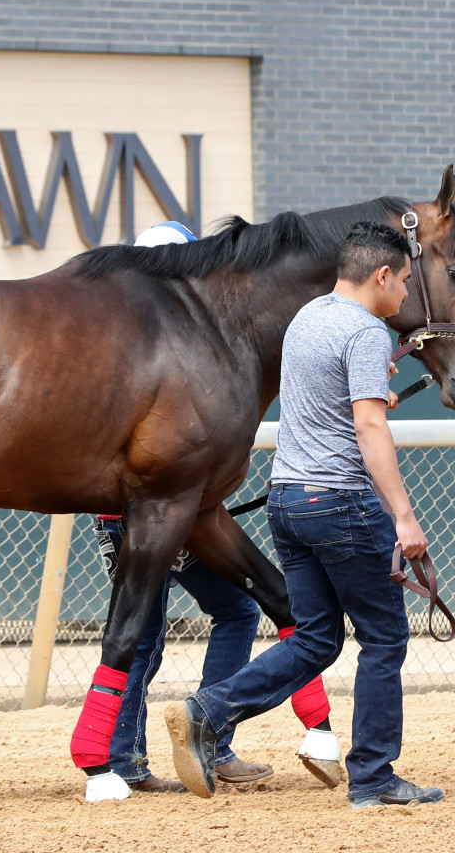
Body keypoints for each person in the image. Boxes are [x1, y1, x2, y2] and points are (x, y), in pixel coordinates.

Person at [164, 219, 446, 810]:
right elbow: (368, 427)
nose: (405, 295)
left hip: (289, 501)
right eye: (403, 282)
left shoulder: (308, 317)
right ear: (382, 274)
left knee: (317, 637)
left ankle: (207, 710)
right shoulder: (366, 332)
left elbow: (326, 399)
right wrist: (404, 516)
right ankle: (373, 777)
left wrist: (373, 390)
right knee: (385, 637)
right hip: (341, 503)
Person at [92, 221, 343, 796]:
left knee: (189, 618)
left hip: (130, 513)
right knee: (189, 619)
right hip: (153, 514)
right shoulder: (182, 346)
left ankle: (162, 748)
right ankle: (179, 744)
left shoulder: (129, 338)